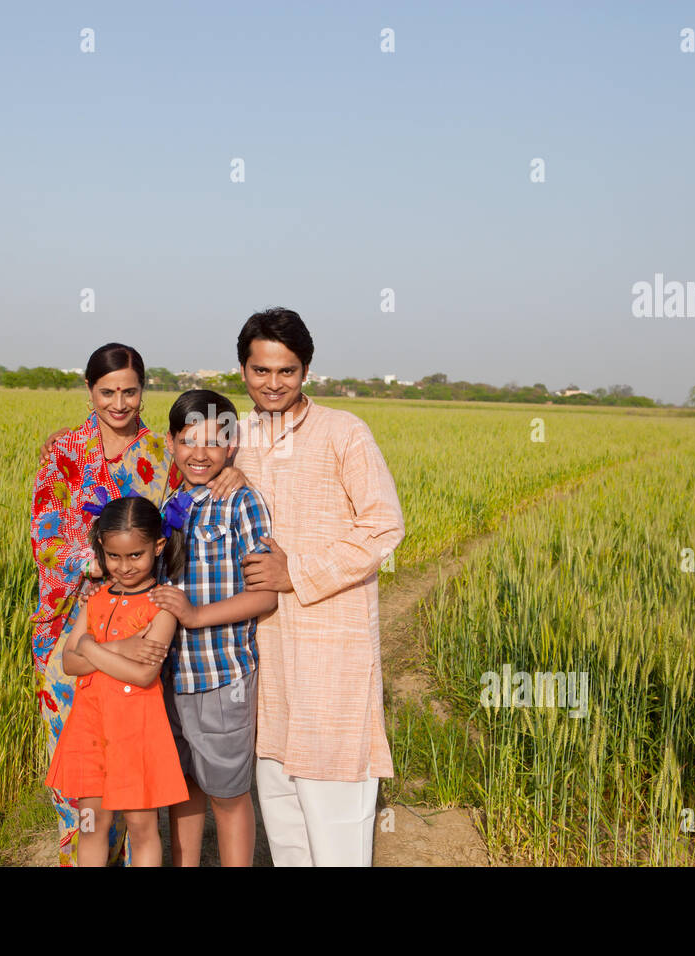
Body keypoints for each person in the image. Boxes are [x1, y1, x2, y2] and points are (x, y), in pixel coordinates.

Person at [29, 342, 245, 865]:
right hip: (69, 629)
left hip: (148, 628)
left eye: (130, 391)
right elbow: (45, 537)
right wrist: (107, 564)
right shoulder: (63, 450)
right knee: (82, 779)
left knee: (133, 779)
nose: (119, 403)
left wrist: (231, 475)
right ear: (89, 390)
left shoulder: (161, 453)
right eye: (107, 392)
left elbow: (191, 498)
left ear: (143, 389)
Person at [234, 307, 405, 866]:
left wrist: (297, 571)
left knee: (335, 818)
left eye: (286, 371)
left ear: (306, 370)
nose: (273, 383)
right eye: (261, 371)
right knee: (282, 817)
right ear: (243, 370)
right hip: (262, 649)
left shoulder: (344, 431)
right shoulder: (235, 437)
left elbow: (383, 528)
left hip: (332, 645)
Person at [148, 390, 276, 866]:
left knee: (228, 794)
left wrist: (196, 615)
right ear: (171, 442)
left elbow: (264, 593)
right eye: (187, 441)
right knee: (182, 790)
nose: (199, 453)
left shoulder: (240, 502)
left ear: (232, 444)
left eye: (213, 441)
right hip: (169, 677)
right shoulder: (169, 500)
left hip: (222, 677)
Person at [44, 495, 190, 866]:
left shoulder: (162, 605)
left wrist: (91, 647)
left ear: (158, 547)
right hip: (92, 729)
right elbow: (68, 662)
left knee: (142, 828)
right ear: (102, 551)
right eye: (114, 557)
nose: (124, 567)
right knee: (92, 825)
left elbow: (143, 674)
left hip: (136, 734)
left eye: (135, 556)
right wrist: (121, 646)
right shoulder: (94, 600)